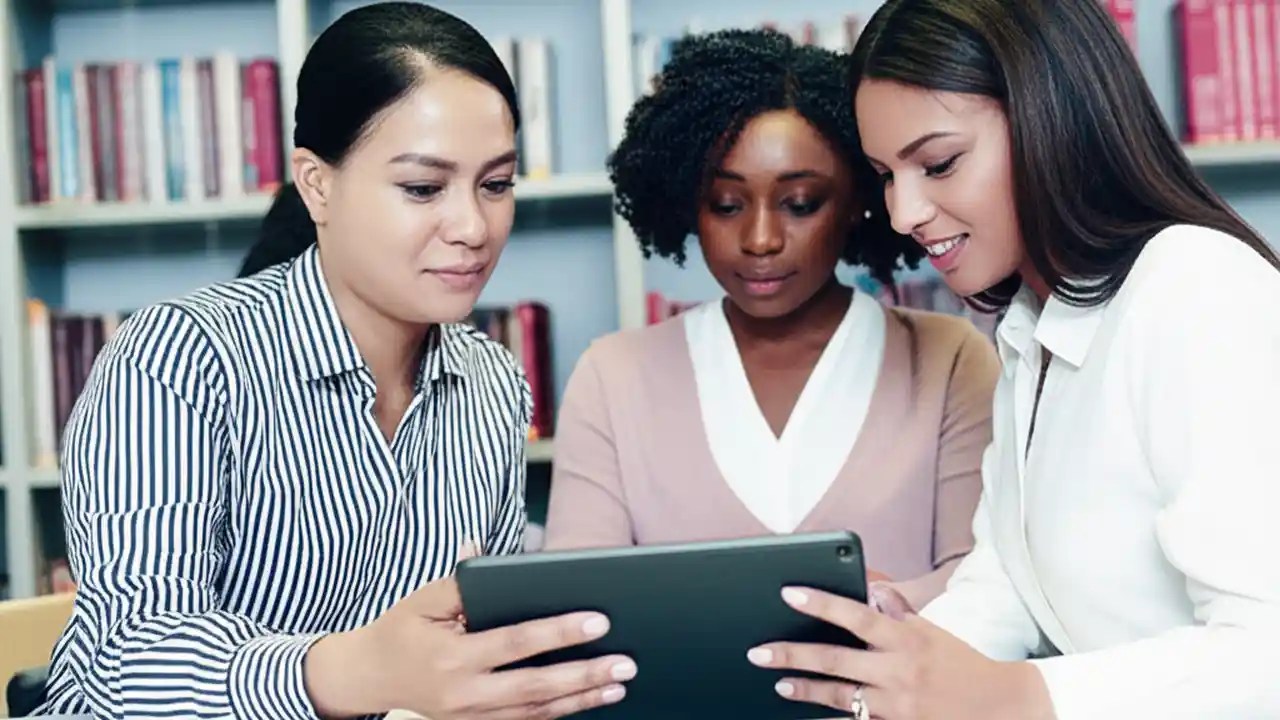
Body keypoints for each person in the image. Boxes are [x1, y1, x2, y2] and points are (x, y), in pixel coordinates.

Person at [37, 4, 637, 718]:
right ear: (316, 184)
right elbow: (119, 663)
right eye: (422, 188)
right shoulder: (178, 359)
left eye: (496, 184)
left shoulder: (493, 384)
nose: (474, 228)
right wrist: (355, 670)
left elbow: (480, 651)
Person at [745, 1, 1280, 718]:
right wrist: (889, 659)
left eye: (938, 163)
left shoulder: (1195, 286)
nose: (903, 213)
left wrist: (1019, 695)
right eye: (885, 175)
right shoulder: (1033, 330)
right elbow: (1005, 594)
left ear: (1051, 118)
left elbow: (1266, 648)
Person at [543, 28, 1000, 611]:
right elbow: (579, 610)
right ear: (689, 205)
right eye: (727, 205)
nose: (761, 240)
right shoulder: (612, 377)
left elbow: (986, 583)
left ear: (861, 198)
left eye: (801, 203)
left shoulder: (948, 359)